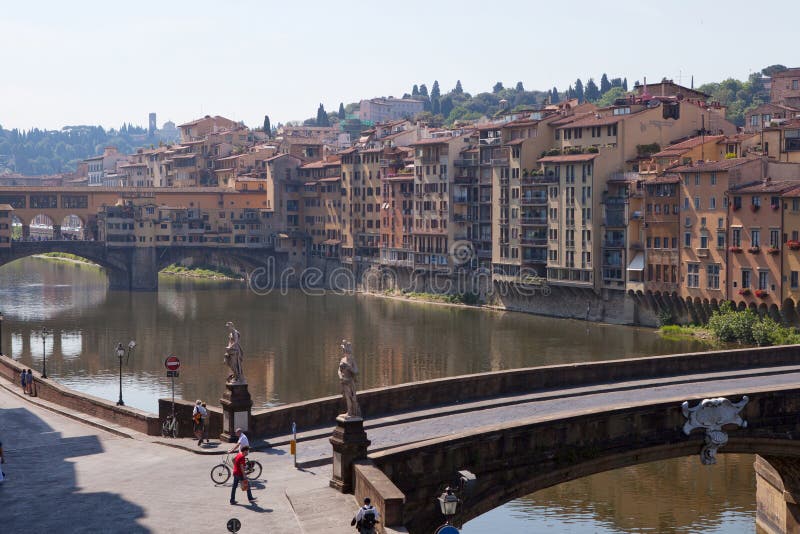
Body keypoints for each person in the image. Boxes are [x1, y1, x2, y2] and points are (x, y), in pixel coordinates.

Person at [338, 340, 361, 418]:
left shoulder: (352, 360)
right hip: (344, 381)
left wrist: (349, 368)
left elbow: (357, 371)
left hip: (350, 381)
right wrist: (340, 376)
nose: (344, 351)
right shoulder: (342, 359)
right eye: (343, 350)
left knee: (351, 397)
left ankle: (352, 412)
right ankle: (349, 411)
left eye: (344, 350)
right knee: (346, 397)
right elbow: (339, 370)